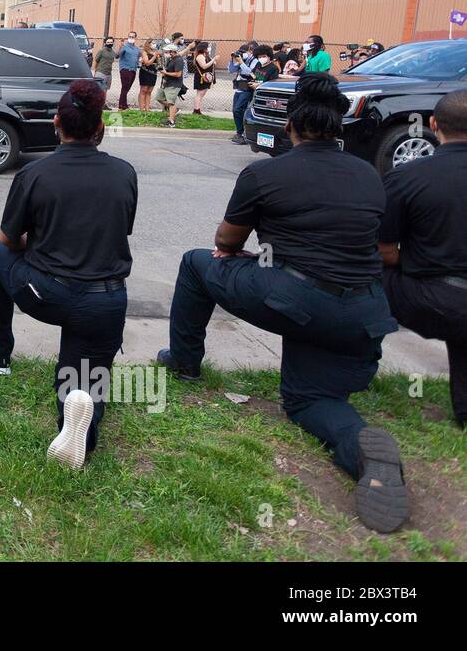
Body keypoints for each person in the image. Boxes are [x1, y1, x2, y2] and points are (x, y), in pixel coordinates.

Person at [159, 72, 405, 533]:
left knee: (196, 263)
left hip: (296, 299)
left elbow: (225, 241)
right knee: (309, 400)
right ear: (339, 127)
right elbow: (380, 250)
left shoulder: (264, 173)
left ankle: (184, 362)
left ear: (290, 125)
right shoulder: (371, 176)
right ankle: (361, 446)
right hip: (363, 316)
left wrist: (249, 257)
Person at [0, 79, 136, 469]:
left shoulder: (35, 174)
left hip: (47, 293)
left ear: (55, 124)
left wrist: (39, 240)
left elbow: (8, 239)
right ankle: (81, 417)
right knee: (84, 378)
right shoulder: (124, 173)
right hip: (106, 299)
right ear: (99, 128)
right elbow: (118, 228)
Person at [379, 90, 467, 429]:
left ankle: (345, 368)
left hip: (430, 301)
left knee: (360, 273)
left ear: (433, 125)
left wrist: (416, 261)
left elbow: (382, 251)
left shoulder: (407, 176)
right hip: (449, 302)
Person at [228, 41, 258, 145]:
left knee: (239, 109)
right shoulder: (243, 58)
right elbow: (231, 70)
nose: (243, 53)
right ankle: (239, 133)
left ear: (251, 51)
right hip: (239, 87)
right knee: (235, 110)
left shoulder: (256, 60)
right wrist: (232, 59)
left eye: (245, 51)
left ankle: (242, 133)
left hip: (248, 88)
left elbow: (250, 72)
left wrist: (241, 62)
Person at [155, 42, 183, 127]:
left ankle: (171, 122)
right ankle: (175, 110)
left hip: (174, 84)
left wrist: (166, 73)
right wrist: (164, 73)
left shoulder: (178, 60)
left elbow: (178, 74)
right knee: (159, 98)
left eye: (167, 51)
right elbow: (168, 71)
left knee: (171, 103)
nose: (166, 53)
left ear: (172, 51)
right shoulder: (171, 59)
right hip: (167, 83)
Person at [116, 31, 141, 110]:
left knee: (127, 88)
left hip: (133, 70)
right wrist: (120, 47)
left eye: (133, 37)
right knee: (124, 87)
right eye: (129, 36)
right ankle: (121, 106)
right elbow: (117, 56)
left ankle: (124, 104)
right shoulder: (124, 47)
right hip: (125, 69)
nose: (131, 38)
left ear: (135, 38)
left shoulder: (137, 49)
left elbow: (138, 58)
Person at [191, 41, 215, 115]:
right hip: (201, 77)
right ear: (204, 48)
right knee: (200, 93)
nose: (208, 48)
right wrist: (213, 60)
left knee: (202, 93)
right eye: (208, 47)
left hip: (206, 76)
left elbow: (208, 64)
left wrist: (212, 62)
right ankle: (196, 110)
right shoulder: (200, 56)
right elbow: (204, 66)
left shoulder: (205, 55)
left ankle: (198, 109)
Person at [137, 39, 159, 111]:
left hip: (153, 73)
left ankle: (147, 108)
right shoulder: (144, 52)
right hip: (145, 72)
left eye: (155, 43)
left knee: (149, 91)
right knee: (143, 90)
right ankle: (141, 109)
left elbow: (158, 63)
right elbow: (147, 63)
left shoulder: (155, 52)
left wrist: (157, 58)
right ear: (148, 44)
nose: (154, 44)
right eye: (153, 43)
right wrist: (154, 57)